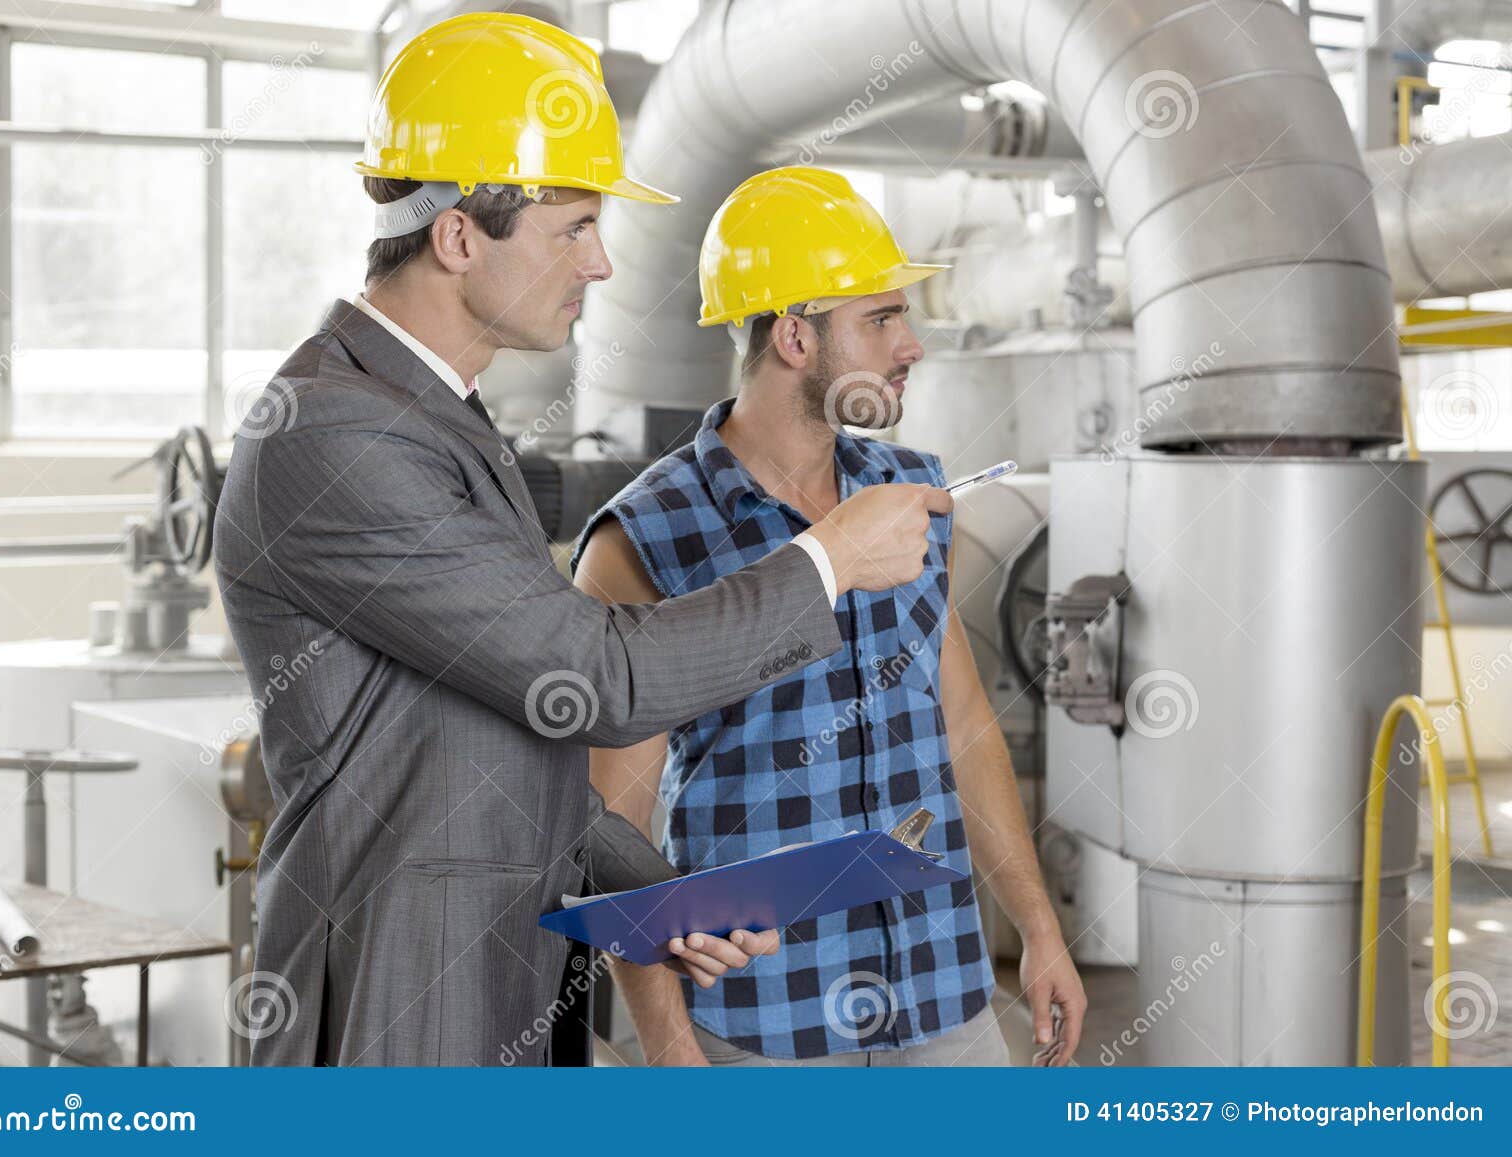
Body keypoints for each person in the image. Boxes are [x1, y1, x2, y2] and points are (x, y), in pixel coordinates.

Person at [213, 20, 951, 1066]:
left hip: (494, 978)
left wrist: (658, 897)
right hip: (396, 997)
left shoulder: (438, 416)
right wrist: (825, 559)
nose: (600, 262)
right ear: (459, 234)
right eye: (572, 227)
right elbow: (596, 674)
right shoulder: (338, 434)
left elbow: (507, 739)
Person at [573, 167, 1086, 1067]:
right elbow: (610, 822)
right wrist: (665, 1042)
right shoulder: (643, 540)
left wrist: (1040, 928)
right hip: (765, 1025)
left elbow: (964, 729)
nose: (913, 345)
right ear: (796, 335)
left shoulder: (912, 494)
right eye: (882, 319)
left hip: (944, 997)